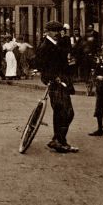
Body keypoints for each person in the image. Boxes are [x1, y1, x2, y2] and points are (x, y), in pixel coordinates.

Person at [33, 21, 78, 153]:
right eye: (54, 30)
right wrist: (51, 78)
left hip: (62, 81)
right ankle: (59, 141)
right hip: (55, 83)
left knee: (63, 112)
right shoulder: (45, 46)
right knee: (65, 112)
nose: (57, 33)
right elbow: (40, 66)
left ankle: (58, 139)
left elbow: (64, 61)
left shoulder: (56, 44)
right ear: (47, 31)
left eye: (59, 30)